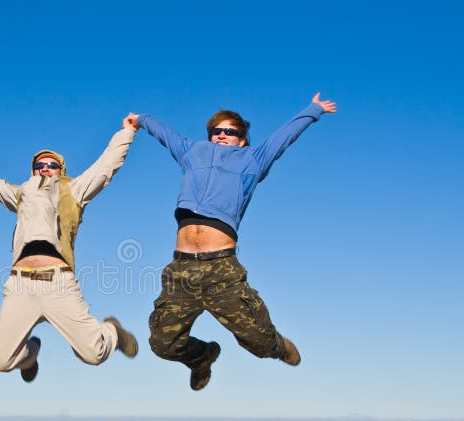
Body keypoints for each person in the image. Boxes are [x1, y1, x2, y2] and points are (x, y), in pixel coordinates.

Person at [128, 92, 337, 391]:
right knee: (163, 344)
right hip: (182, 269)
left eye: (231, 132)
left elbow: (283, 137)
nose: (223, 135)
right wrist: (141, 119)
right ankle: (202, 356)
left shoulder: (253, 160)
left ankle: (277, 345)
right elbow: (166, 135)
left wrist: (313, 110)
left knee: (260, 343)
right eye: (217, 131)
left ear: (242, 139)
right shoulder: (192, 152)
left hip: (221, 269)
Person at [0, 117, 140, 382]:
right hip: (21, 284)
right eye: (40, 165)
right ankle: (32, 354)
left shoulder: (73, 191)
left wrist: (127, 132)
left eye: (52, 165)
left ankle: (112, 332)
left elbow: (106, 166)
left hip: (58, 282)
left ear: (61, 170)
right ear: (32, 171)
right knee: (3, 361)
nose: (46, 169)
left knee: (93, 354)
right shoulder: (23, 195)